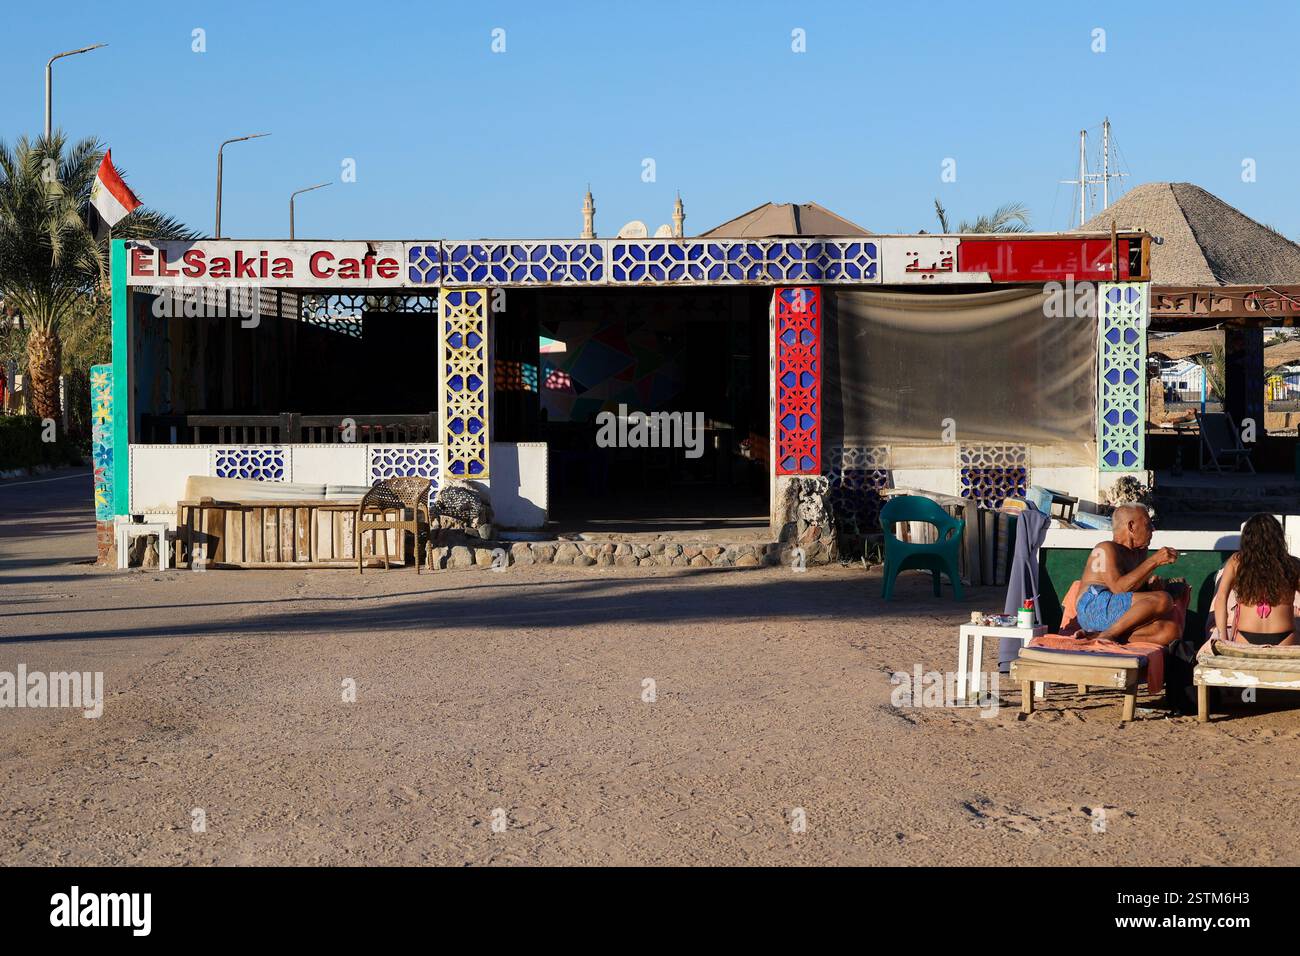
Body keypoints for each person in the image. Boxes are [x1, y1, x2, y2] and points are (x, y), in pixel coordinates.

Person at [1075, 504, 1181, 646]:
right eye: (1148, 524)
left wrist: (1152, 589)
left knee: (1171, 631)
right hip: (1092, 606)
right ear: (1131, 527)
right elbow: (1119, 589)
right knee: (1164, 599)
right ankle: (1109, 634)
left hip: (1115, 611)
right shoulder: (1106, 548)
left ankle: (1097, 635)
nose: (1153, 529)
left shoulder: (1139, 552)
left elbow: (1132, 596)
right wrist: (1154, 561)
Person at [1213, 513, 1300, 646]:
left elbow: (1221, 598)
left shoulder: (1237, 562)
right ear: (1278, 538)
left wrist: (1223, 637)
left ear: (1248, 539)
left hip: (1246, 638)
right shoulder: (1292, 564)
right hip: (1285, 638)